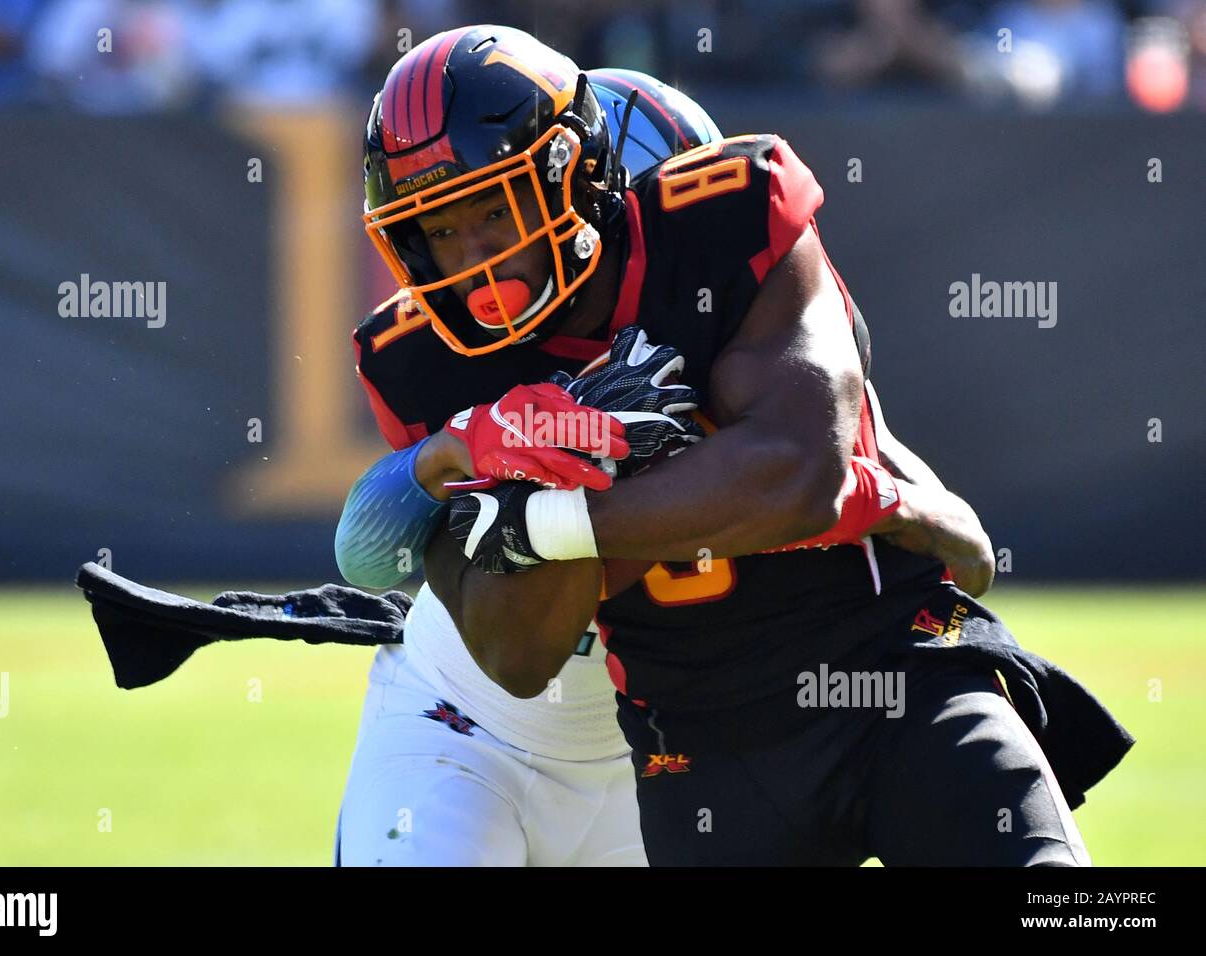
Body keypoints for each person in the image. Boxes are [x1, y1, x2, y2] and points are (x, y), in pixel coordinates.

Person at [346, 24, 1132, 865]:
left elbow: (814, 475)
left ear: (593, 183)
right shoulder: (432, 364)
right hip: (668, 740)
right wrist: (483, 449)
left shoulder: (732, 226)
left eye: (494, 214)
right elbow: (445, 603)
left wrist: (547, 520)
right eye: (439, 229)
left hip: (887, 673)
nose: (471, 262)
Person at [335, 67, 720, 866]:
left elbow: (832, 474)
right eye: (450, 227)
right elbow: (368, 554)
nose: (484, 260)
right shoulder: (465, 361)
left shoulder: (751, 351)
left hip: (675, 767)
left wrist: (896, 499)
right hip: (465, 733)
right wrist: (466, 447)